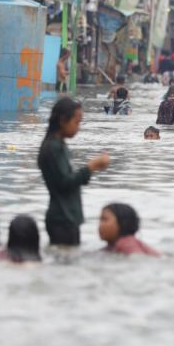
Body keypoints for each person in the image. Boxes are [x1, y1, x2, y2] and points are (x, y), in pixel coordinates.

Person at [39, 98, 110, 246]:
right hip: (62, 219)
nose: (79, 128)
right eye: (77, 122)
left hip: (67, 217)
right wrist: (91, 166)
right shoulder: (53, 148)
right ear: (63, 120)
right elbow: (64, 183)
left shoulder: (58, 145)